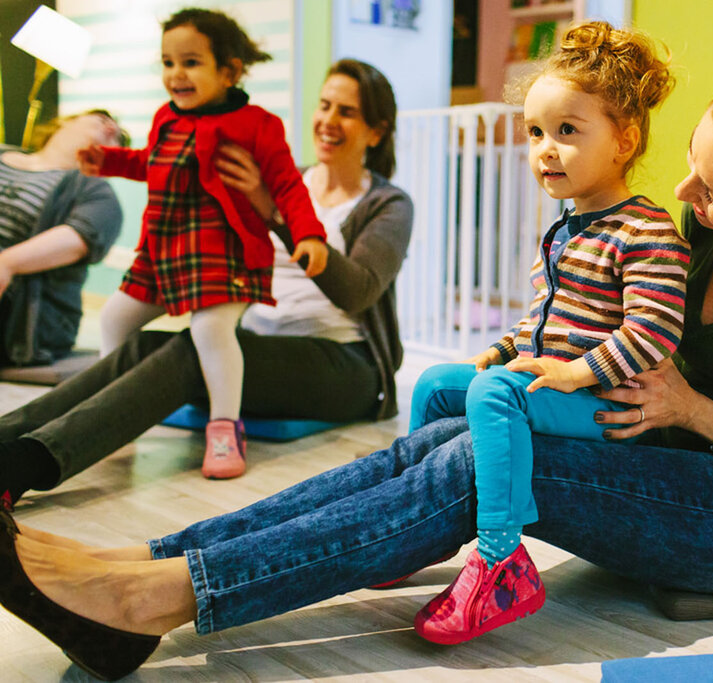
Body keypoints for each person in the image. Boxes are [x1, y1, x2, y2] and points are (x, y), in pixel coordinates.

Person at [0, 66, 713, 680]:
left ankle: (153, 604)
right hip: (669, 453)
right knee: (443, 435)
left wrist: (703, 412)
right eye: (694, 164)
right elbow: (623, 321)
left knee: (475, 473)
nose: (683, 192)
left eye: (711, 187)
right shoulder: (701, 235)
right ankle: (154, 560)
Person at [0, 57, 411, 511]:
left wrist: (271, 210)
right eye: (325, 105)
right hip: (260, 343)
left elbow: (359, 291)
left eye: (347, 112)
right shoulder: (291, 177)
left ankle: (22, 466)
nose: (328, 121)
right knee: (147, 344)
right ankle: (6, 435)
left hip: (345, 365)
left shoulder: (387, 203)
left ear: (376, 131)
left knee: (187, 352)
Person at [408, 22, 689, 644]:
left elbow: (655, 331)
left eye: (567, 131)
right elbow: (542, 322)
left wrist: (574, 374)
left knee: (494, 395)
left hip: (604, 406)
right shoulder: (564, 231)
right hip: (559, 386)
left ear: (624, 140)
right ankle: (416, 527)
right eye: (535, 132)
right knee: (435, 385)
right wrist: (503, 350)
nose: (545, 149)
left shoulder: (646, 231)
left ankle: (501, 562)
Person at [77, 7, 329, 479]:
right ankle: (109, 416)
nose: (176, 74)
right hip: (164, 251)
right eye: (168, 63)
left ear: (229, 70)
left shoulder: (257, 124)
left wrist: (309, 235)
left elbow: (288, 184)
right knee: (113, 318)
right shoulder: (165, 119)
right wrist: (108, 160)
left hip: (226, 253)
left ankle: (225, 426)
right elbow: (151, 163)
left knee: (210, 330)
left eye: (191, 62)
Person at [0, 110, 126, 367]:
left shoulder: (97, 193)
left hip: (17, 311)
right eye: (102, 120)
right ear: (65, 122)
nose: (111, 129)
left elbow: (77, 237)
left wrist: (5, 263)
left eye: (118, 139)